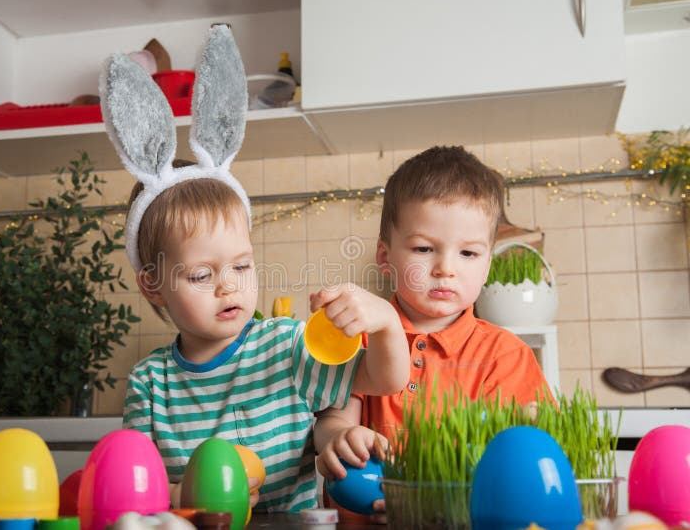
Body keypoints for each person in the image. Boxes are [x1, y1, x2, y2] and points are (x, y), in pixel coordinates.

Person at [100, 25, 409, 514]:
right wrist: (190, 497)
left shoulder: (286, 346)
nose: (228, 286)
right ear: (153, 284)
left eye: (242, 266)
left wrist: (387, 322)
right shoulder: (150, 384)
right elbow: (139, 491)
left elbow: (383, 379)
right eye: (201, 276)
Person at [313, 145, 553, 517]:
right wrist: (340, 438)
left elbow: (524, 453)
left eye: (468, 254)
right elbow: (333, 420)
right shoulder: (359, 337)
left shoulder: (505, 355)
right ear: (384, 256)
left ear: (488, 264)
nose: (445, 268)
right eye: (424, 249)